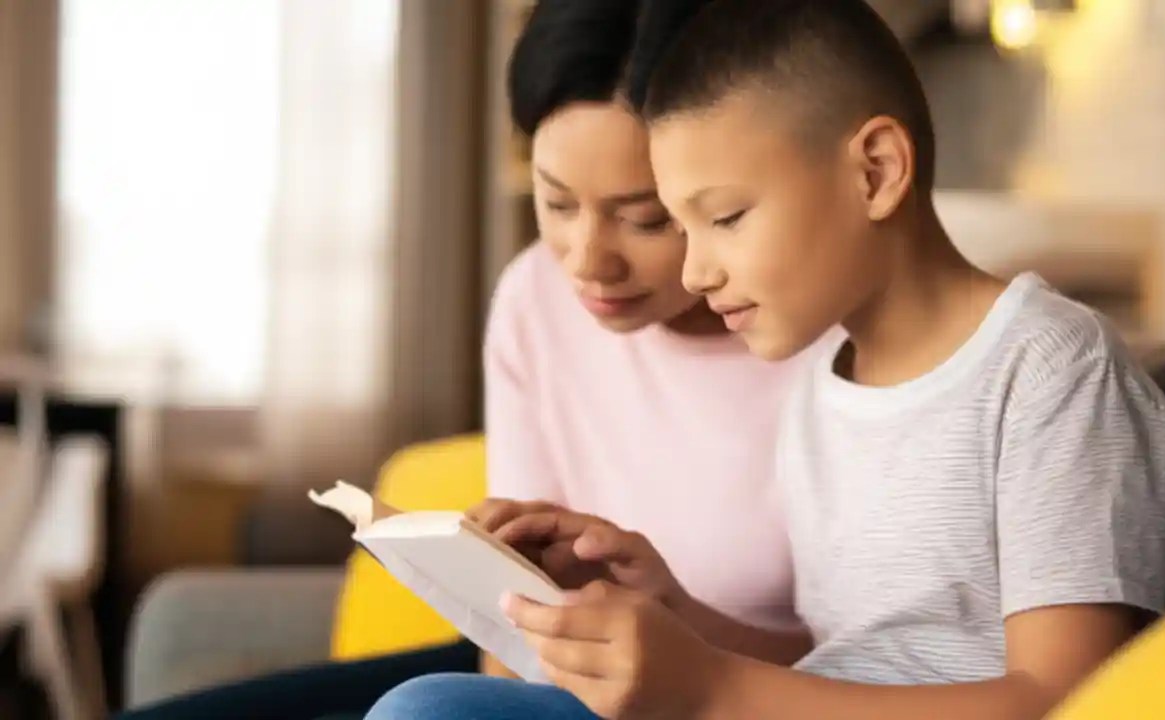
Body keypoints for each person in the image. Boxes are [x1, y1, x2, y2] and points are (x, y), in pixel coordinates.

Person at [366, 0, 1165, 718]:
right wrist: (677, 614)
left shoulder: (1050, 370)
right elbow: (834, 668)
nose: (694, 273)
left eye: (723, 219)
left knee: (428, 709)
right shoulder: (827, 387)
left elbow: (1069, 701)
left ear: (876, 171)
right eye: (683, 225)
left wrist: (714, 688)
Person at [113, 1, 819, 718]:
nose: (588, 262)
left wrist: (680, 635)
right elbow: (514, 622)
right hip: (546, 664)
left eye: (645, 219)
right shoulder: (535, 294)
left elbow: (865, 680)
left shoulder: (821, 339)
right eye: (558, 203)